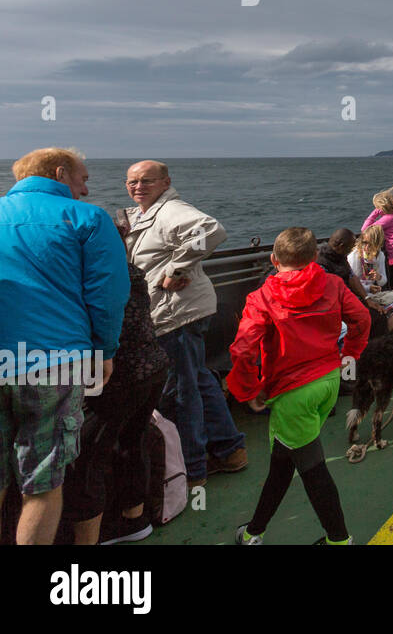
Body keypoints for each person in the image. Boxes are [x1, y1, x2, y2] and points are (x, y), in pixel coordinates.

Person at [1, 148, 130, 545]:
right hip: (54, 362)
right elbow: (107, 294)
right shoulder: (87, 218)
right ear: (60, 173)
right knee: (42, 481)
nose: (87, 189)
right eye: (83, 178)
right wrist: (105, 352)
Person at [229, 227, 370, 545]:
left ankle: (339, 540)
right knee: (284, 460)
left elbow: (242, 348)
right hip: (328, 383)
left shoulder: (262, 297)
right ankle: (254, 532)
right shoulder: (333, 284)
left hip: (293, 393)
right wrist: (349, 356)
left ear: (273, 259)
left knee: (312, 469)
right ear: (315, 257)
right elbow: (361, 319)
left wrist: (248, 390)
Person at [124, 159, 244, 489]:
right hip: (181, 313)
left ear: (165, 182)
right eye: (131, 181)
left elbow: (211, 231)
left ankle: (193, 469)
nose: (137, 187)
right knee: (200, 379)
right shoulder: (145, 213)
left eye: (146, 181)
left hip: (176, 315)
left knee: (180, 391)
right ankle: (230, 449)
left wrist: (174, 271)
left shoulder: (171, 210)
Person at [63, 217, 171, 545]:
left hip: (118, 377)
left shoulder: (91, 278)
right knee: (131, 443)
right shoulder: (131, 272)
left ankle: (90, 536)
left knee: (85, 457)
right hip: (151, 367)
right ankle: (134, 520)